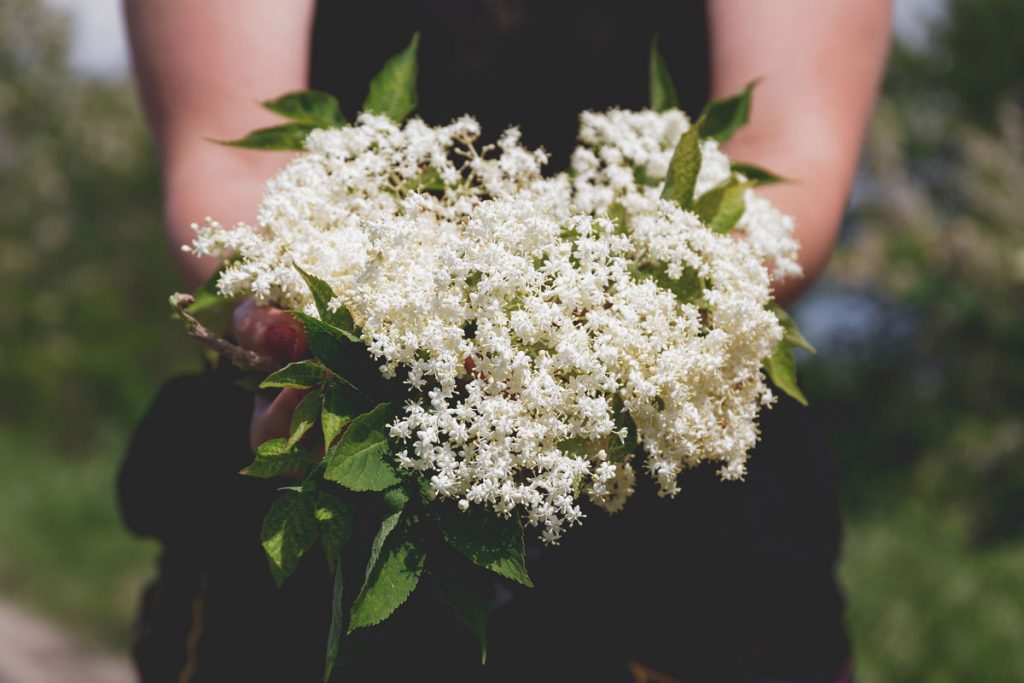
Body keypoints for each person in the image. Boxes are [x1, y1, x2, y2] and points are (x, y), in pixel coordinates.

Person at [120, 1, 891, 681]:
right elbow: (235, 158)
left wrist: (598, 315)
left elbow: (787, 164)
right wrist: (296, 309)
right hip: (333, 460)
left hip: (685, 558)